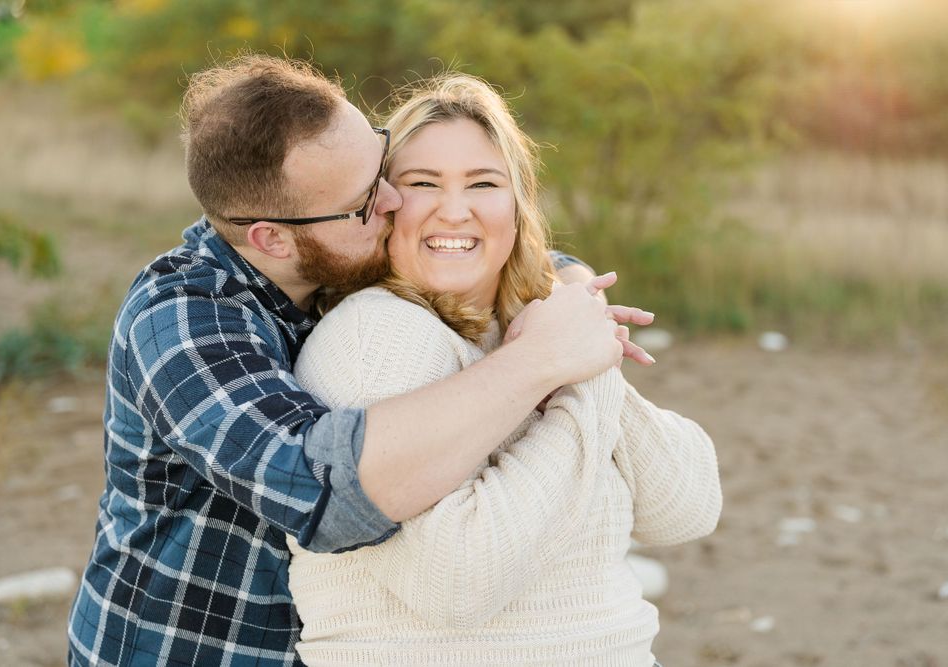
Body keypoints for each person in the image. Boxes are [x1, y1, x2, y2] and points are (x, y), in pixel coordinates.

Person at [67, 55, 655, 666]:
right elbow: (328, 491)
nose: (395, 199)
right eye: (366, 200)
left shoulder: (337, 238)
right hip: (196, 648)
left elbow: (482, 250)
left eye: (381, 166)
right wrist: (542, 359)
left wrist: (566, 285)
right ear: (272, 238)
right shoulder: (179, 322)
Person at [286, 74, 722, 666]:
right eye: (422, 183)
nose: (455, 210)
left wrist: (580, 353)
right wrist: (565, 364)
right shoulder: (376, 335)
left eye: (483, 183)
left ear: (518, 205)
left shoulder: (539, 329)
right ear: (383, 202)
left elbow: (687, 509)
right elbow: (456, 582)